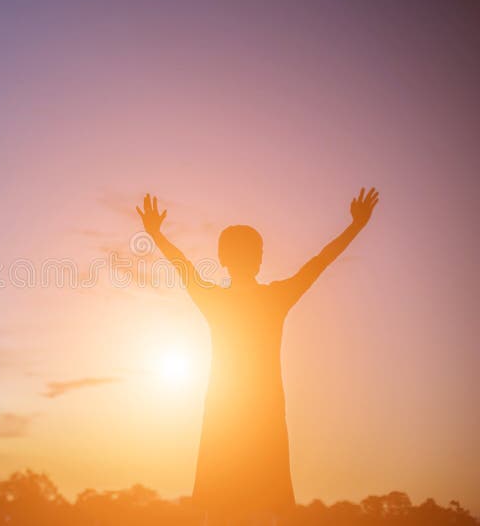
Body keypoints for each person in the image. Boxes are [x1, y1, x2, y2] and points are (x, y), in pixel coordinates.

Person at [136, 188, 379, 525]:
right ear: (255, 258)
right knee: (250, 511)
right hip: (250, 421)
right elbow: (318, 264)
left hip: (234, 420)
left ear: (223, 259)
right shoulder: (273, 298)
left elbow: (183, 267)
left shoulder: (222, 300)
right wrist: (355, 227)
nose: (257, 256)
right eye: (255, 251)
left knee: (234, 511)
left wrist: (156, 233)